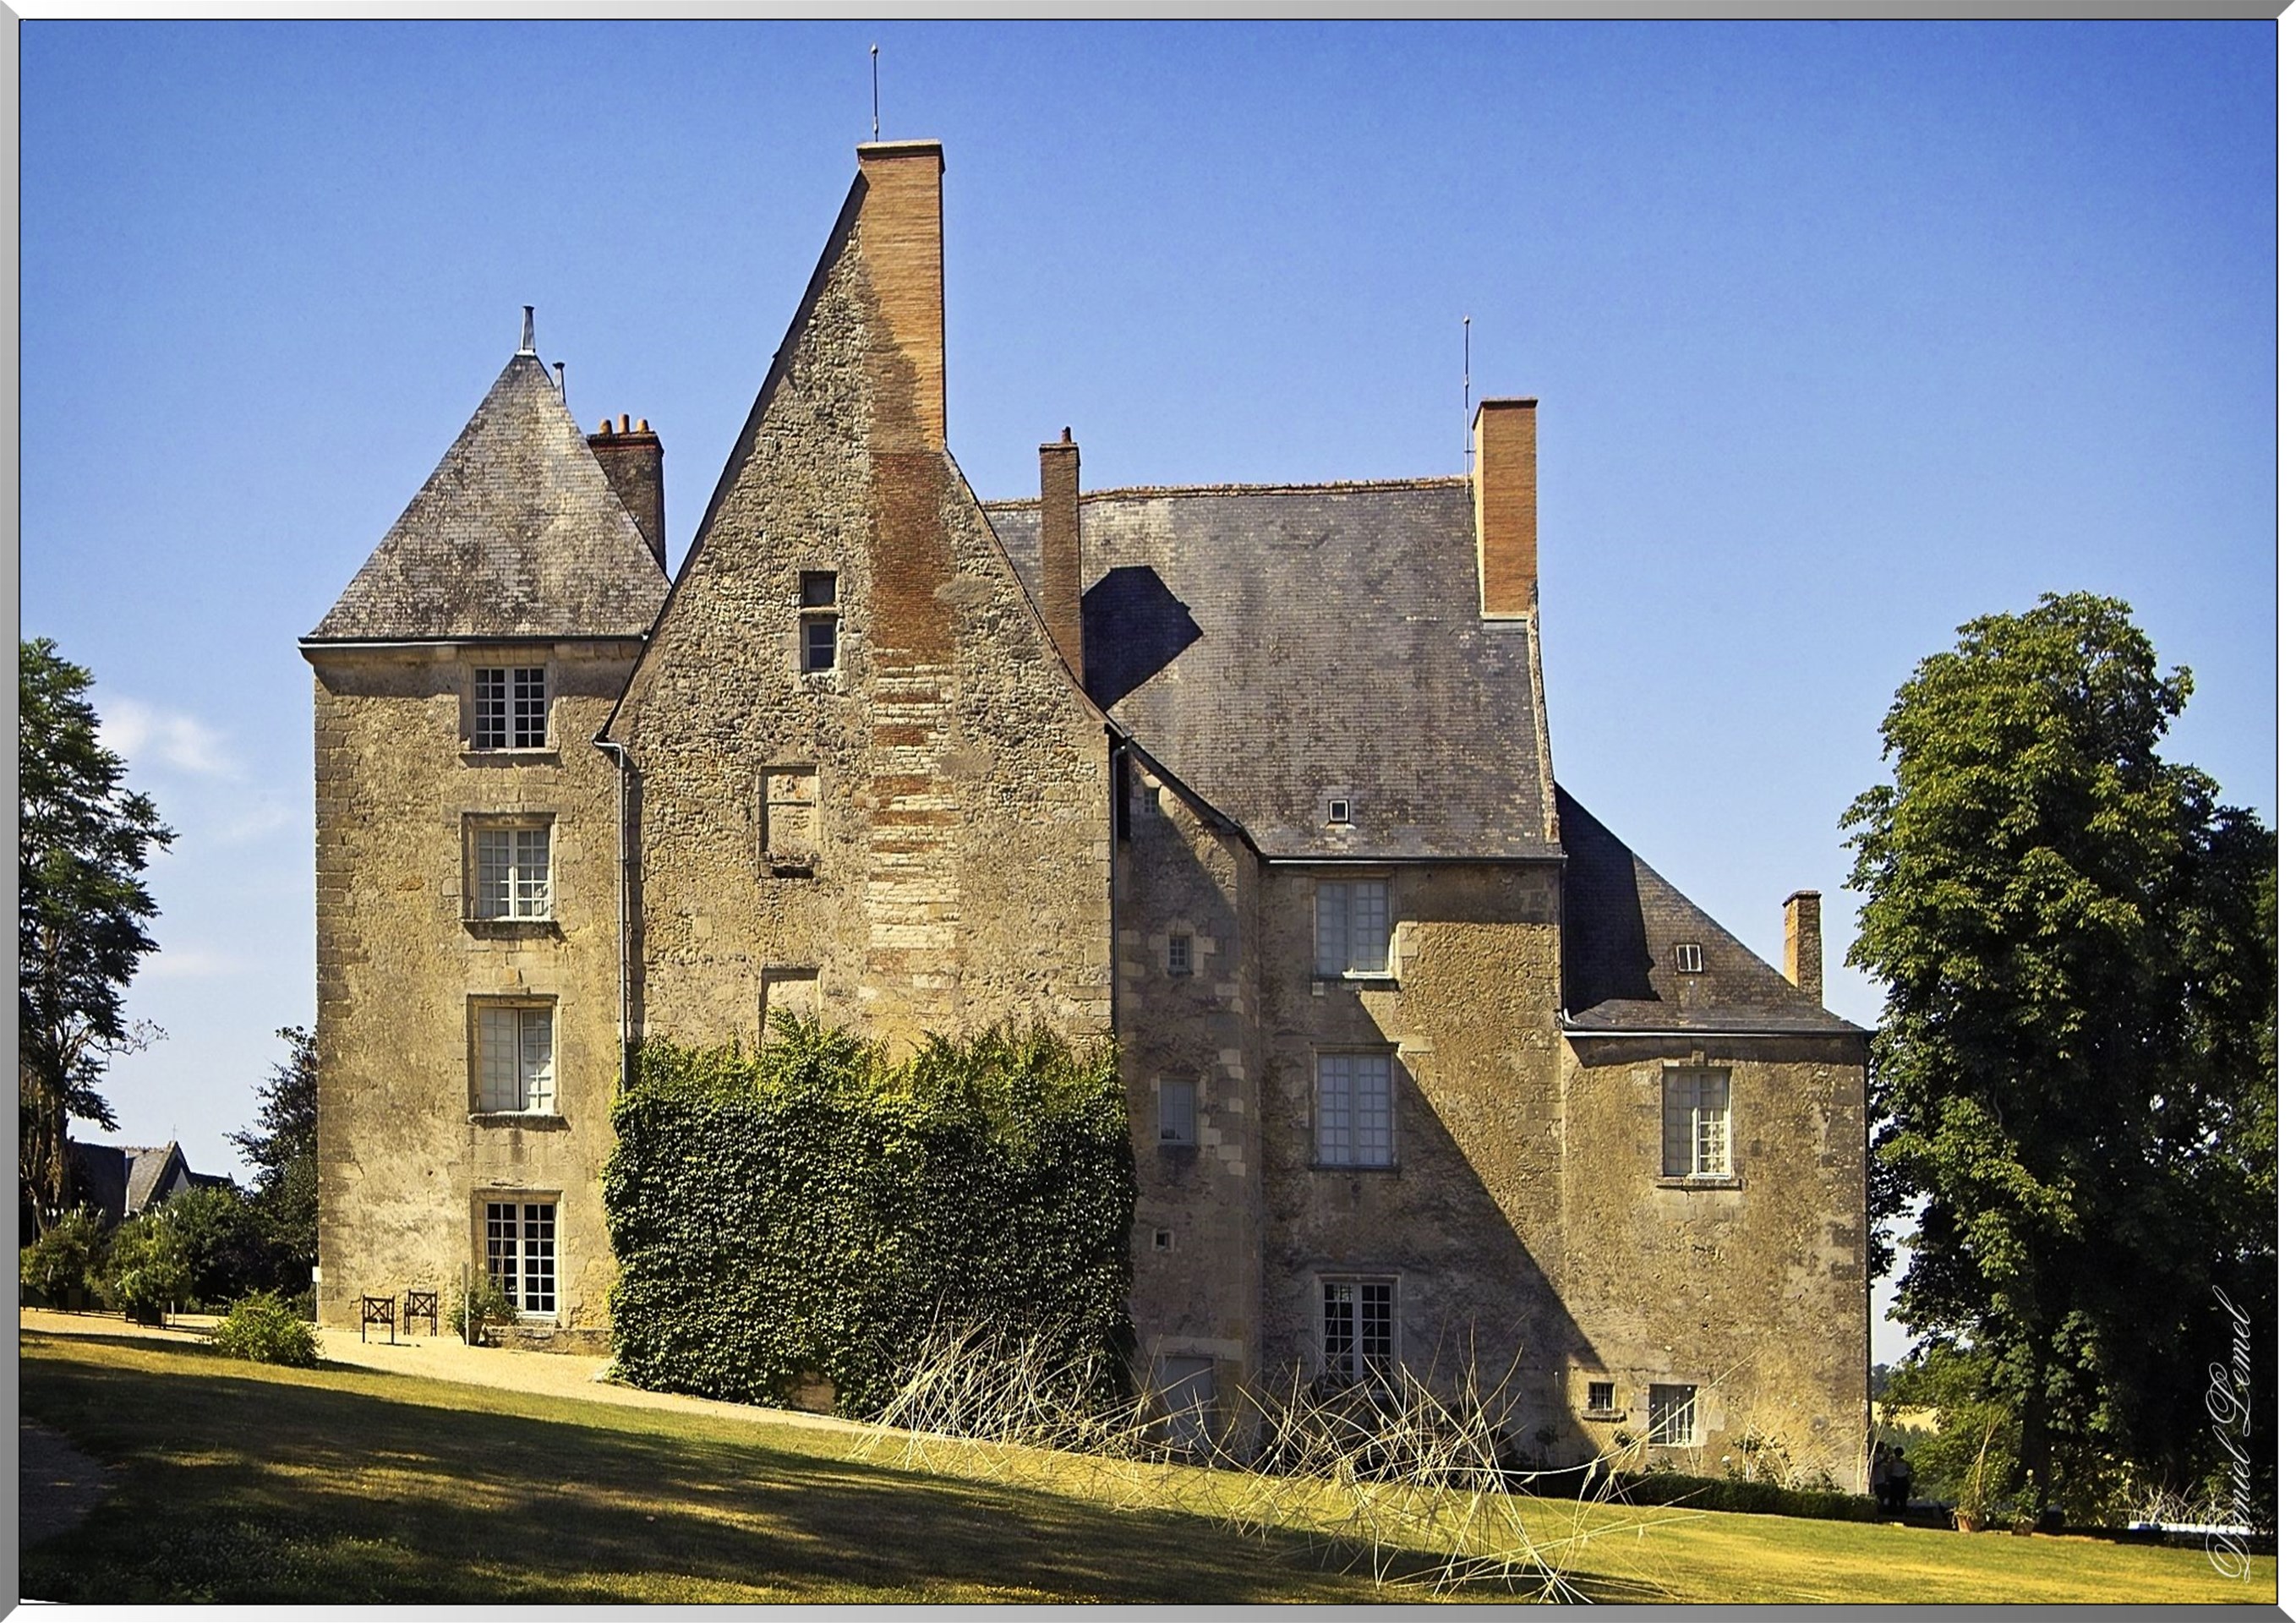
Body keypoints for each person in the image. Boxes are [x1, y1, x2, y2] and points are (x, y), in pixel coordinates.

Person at [1886, 1446, 1913, 1511]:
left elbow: (1889, 1471)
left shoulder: (1892, 1462)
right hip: (1903, 1480)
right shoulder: (1905, 1463)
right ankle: (1903, 1510)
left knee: (1893, 1497)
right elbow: (1910, 1470)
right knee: (1903, 1498)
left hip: (1895, 1480)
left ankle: (1893, 1510)